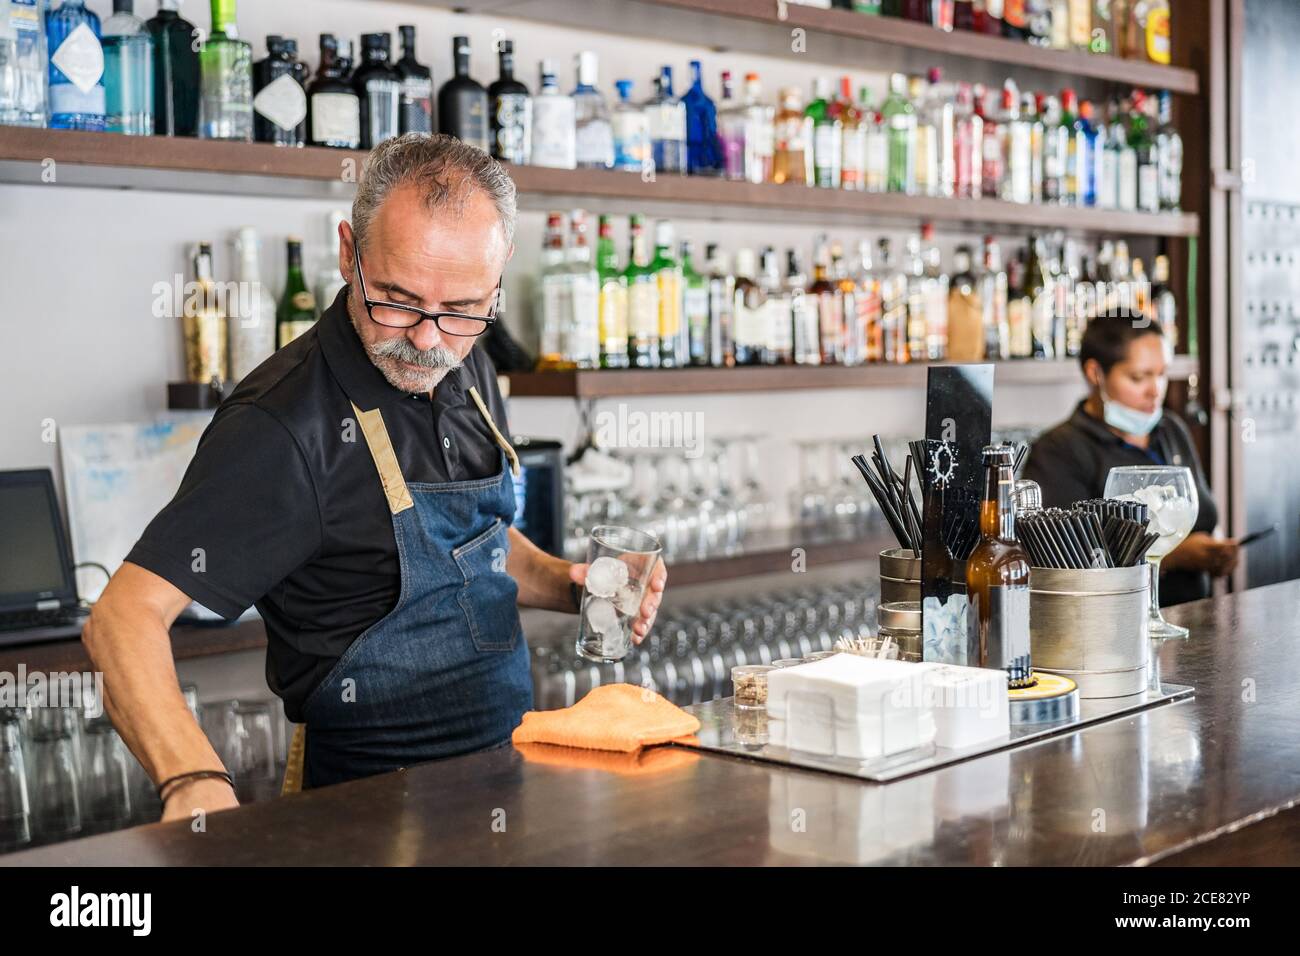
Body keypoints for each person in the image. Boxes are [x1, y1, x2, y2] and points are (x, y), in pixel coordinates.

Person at [82, 134, 668, 818]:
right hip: (368, 808)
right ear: (347, 252)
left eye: (462, 309)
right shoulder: (280, 426)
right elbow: (122, 618)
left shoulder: (464, 357)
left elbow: (474, 541)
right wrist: (192, 781)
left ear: (496, 275)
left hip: (511, 773)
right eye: (396, 298)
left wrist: (571, 586)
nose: (426, 339)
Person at [1023, 314, 1237, 605]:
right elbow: (1069, 563)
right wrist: (1174, 556)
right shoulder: (1058, 450)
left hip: (1196, 616)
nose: (1155, 390)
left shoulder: (1170, 429)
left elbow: (1204, 512)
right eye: (1139, 377)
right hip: (1115, 628)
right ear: (1095, 373)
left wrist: (1216, 550)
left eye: (1161, 374)